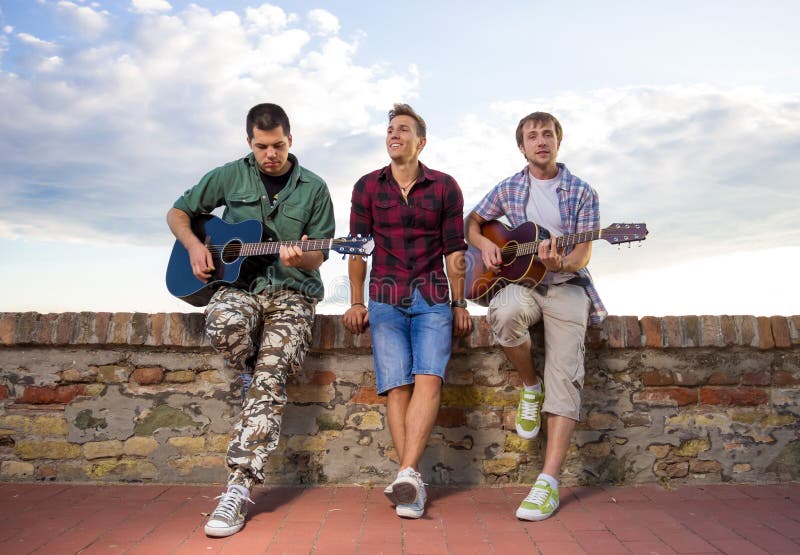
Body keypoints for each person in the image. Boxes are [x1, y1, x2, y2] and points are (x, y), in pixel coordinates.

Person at [166, 103, 335, 537]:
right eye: (262, 147)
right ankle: (248, 372)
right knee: (222, 323)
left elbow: (321, 254)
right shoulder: (229, 175)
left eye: (278, 145)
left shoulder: (314, 187)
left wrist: (304, 255)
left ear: (290, 140)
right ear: (249, 143)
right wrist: (194, 247)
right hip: (240, 291)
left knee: (272, 373)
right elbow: (178, 212)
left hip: (293, 294)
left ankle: (237, 490)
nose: (271, 154)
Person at [465, 111, 606, 521]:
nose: (540, 140)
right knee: (504, 311)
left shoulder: (583, 192)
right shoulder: (510, 186)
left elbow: (582, 254)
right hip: (522, 284)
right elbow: (472, 223)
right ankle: (530, 385)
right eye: (532, 135)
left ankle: (547, 482)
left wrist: (559, 261)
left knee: (565, 375)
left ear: (558, 142)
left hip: (567, 288)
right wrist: (486, 246)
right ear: (522, 146)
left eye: (547, 134)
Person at [343, 103, 472, 519]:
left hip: (433, 295)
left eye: (403, 130)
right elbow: (359, 248)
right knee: (396, 386)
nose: (394, 135)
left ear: (421, 141)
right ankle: (411, 481)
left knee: (428, 377)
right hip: (384, 295)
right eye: (390, 130)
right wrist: (356, 301)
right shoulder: (367, 187)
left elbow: (455, 249)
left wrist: (459, 302)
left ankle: (407, 477)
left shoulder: (445, 187)